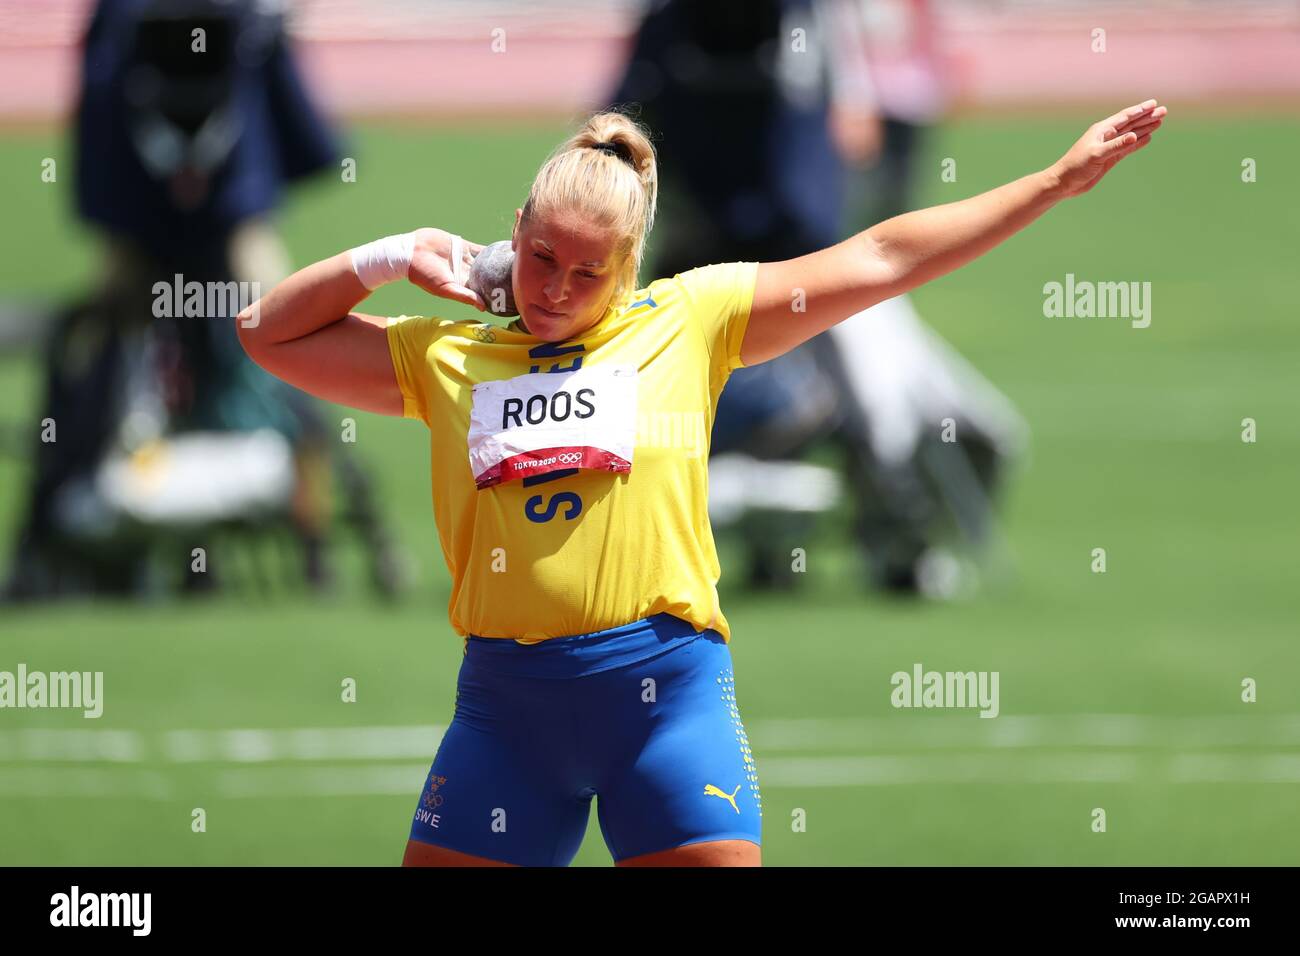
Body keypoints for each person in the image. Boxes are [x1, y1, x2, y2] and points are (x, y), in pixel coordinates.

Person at [235, 101, 1165, 866]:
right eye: (541, 257)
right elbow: (263, 333)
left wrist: (1053, 182)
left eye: (588, 271)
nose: (557, 288)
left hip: (664, 707)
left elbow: (882, 258)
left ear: (628, 264)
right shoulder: (448, 355)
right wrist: (391, 256)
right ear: (511, 233)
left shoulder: (691, 321)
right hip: (504, 715)